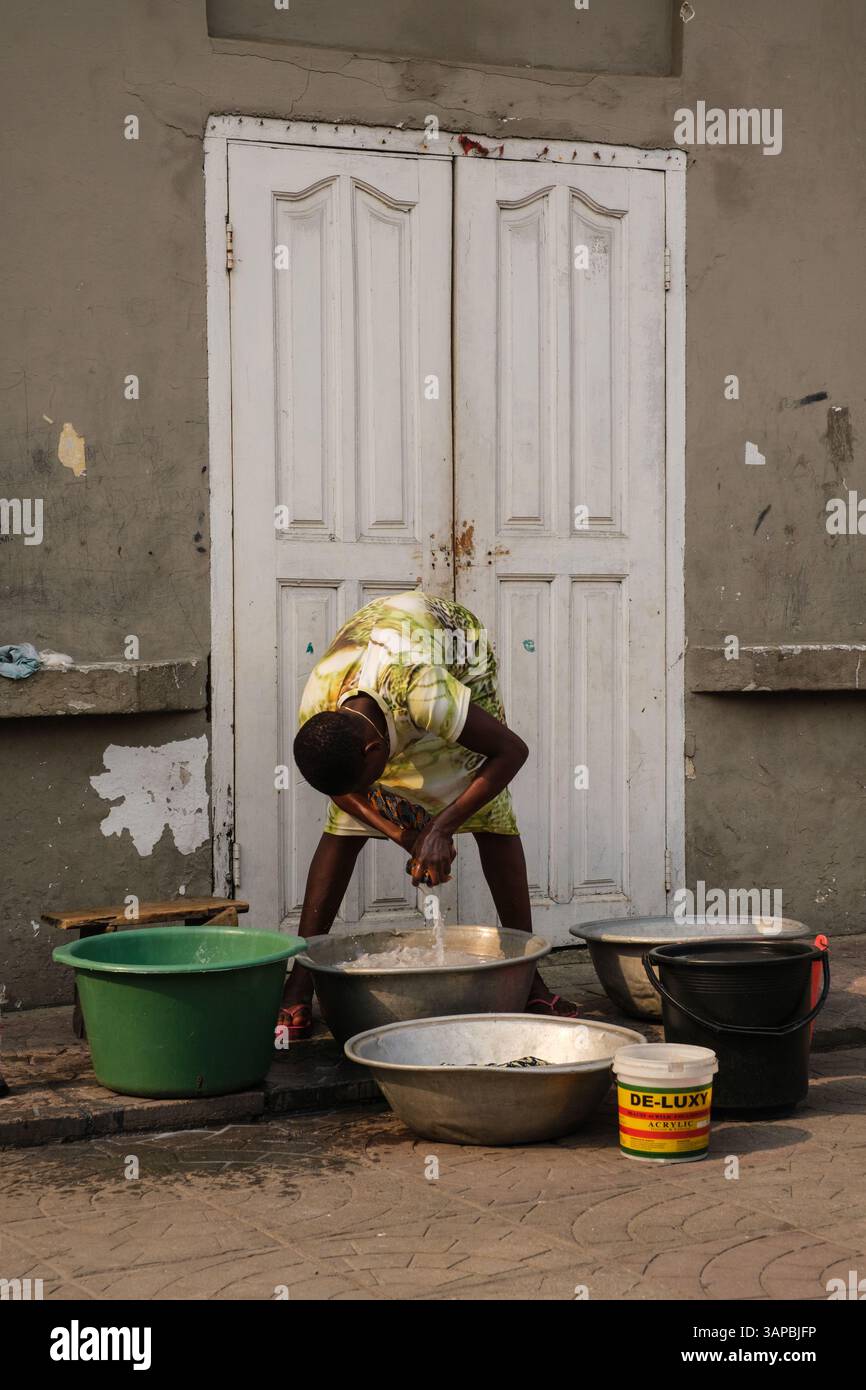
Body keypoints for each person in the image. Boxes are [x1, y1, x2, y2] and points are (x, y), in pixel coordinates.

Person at [279, 590, 578, 1039]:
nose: (366, 794)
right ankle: (299, 982)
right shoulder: (321, 707)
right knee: (342, 828)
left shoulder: (425, 693)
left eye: (365, 780)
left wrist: (441, 826)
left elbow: (512, 752)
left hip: (454, 647)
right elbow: (343, 796)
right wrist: (404, 834)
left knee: (489, 809)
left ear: (375, 748)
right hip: (382, 667)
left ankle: (530, 980)